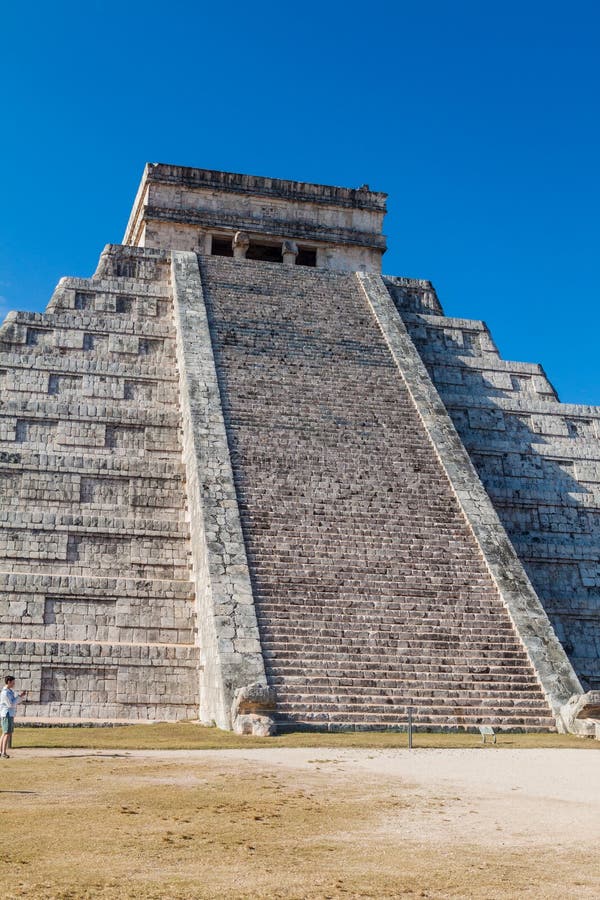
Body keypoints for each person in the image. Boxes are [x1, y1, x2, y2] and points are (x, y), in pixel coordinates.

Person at [0, 675, 28, 758]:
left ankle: (1, 751)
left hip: (9, 713)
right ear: (9, 682)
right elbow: (11, 704)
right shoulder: (5, 693)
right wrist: (19, 697)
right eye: (13, 682)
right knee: (7, 733)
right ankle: (3, 752)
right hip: (7, 713)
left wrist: (20, 696)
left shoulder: (9, 691)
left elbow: (14, 702)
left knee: (5, 733)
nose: (14, 684)